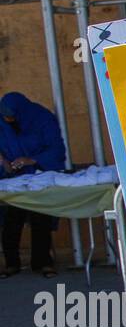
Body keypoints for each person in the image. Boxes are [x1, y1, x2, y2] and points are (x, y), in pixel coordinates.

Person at [0, 91, 66, 278]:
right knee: (11, 219)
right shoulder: (2, 121)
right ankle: (11, 263)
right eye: (5, 117)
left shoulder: (42, 118)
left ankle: (43, 262)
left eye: (11, 116)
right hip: (13, 179)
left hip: (39, 176)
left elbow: (56, 149)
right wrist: (4, 161)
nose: (8, 119)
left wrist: (32, 160)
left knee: (40, 218)